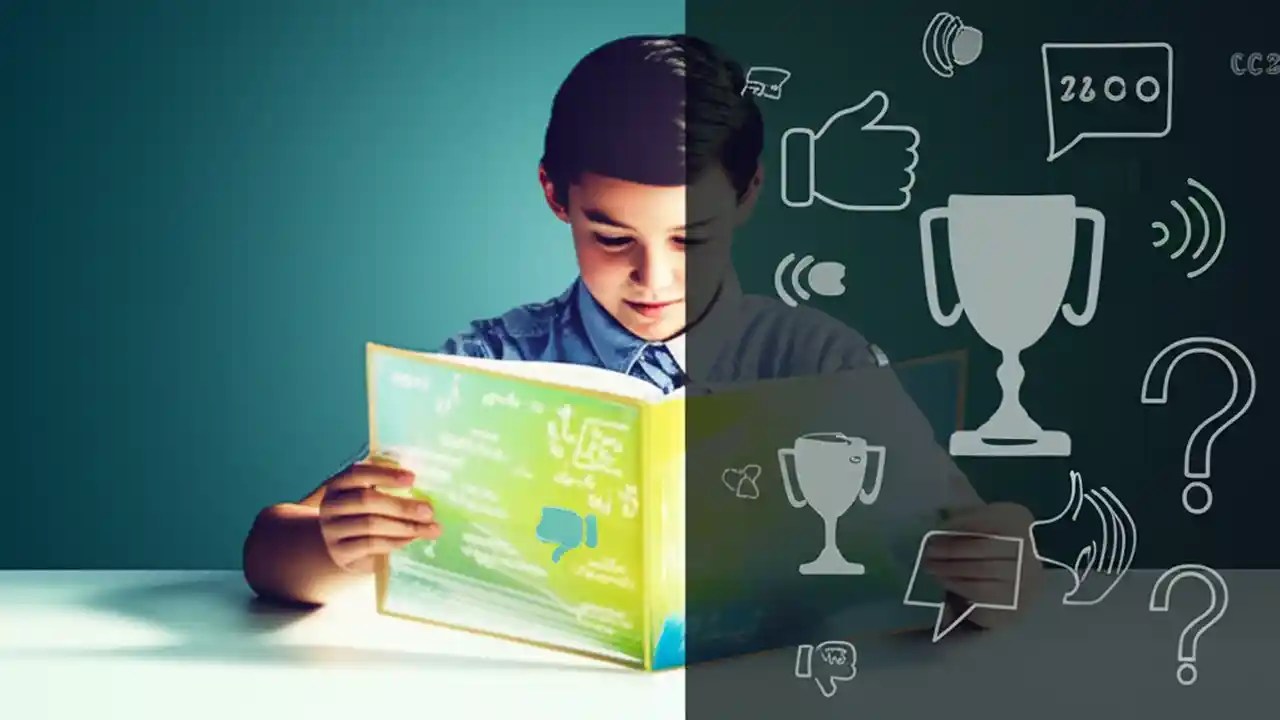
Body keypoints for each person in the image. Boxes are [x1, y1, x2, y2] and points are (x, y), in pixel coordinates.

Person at [242, 34, 1042, 634]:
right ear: (557, 196)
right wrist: (334, 542)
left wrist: (1001, 565)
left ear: (748, 194)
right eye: (612, 237)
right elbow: (273, 554)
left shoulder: (820, 359)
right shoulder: (489, 364)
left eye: (691, 239)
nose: (656, 280)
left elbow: (976, 555)